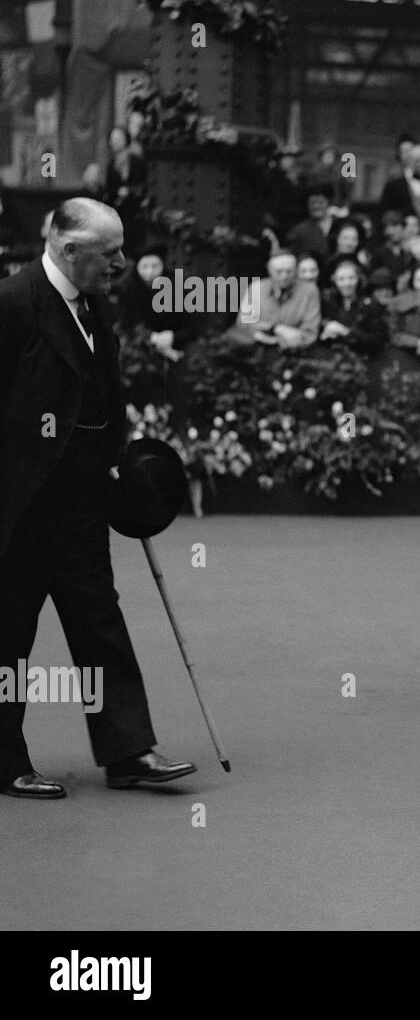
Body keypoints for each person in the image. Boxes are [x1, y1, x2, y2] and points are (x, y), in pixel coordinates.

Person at [0, 198, 195, 799]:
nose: (120, 263)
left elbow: (105, 394)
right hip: (20, 505)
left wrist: (120, 462)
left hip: (82, 499)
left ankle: (128, 750)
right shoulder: (11, 303)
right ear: (69, 249)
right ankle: (4, 762)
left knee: (99, 622)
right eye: (109, 254)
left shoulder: (96, 304)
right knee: (8, 637)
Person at [227, 249, 321, 349]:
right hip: (255, 349)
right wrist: (275, 328)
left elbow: (310, 333)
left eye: (289, 271)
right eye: (279, 271)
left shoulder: (310, 291)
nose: (284, 276)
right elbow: (243, 323)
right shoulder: (256, 288)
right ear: (269, 271)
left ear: (296, 270)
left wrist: (276, 340)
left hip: (292, 351)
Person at [320, 259, 388, 356]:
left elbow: (377, 341)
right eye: (341, 279)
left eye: (351, 278)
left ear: (359, 279)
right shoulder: (329, 302)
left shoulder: (371, 305)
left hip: (363, 358)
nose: (347, 284)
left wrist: (346, 332)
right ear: (334, 280)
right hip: (333, 357)